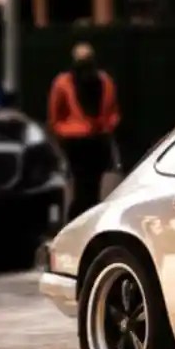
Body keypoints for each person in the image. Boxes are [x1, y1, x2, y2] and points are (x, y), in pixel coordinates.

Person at [48, 42, 121, 220]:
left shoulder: (104, 81)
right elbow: (55, 114)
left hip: (96, 138)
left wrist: (107, 126)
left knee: (94, 185)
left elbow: (113, 109)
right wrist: (64, 132)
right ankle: (78, 219)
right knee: (81, 185)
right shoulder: (63, 83)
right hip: (75, 141)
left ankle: (86, 220)